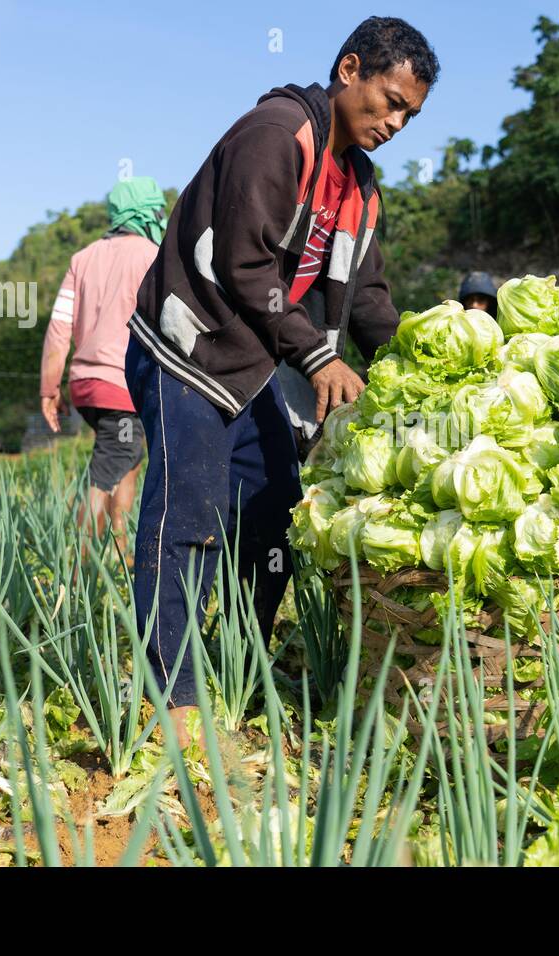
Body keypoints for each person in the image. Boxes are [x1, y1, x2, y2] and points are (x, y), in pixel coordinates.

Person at [124, 17, 439, 747]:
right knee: (189, 514)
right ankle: (170, 694)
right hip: (190, 347)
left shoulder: (360, 187)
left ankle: (234, 668)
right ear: (349, 69)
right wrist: (318, 357)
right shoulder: (277, 132)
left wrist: (427, 369)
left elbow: (366, 300)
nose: (394, 122)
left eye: (409, 115)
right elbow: (244, 264)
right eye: (388, 100)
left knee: (273, 519)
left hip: (257, 366)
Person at [40, 177, 167, 559]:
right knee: (109, 467)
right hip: (123, 387)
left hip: (85, 387)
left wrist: (50, 388)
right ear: (148, 212)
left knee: (127, 456)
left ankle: (120, 546)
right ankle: (77, 570)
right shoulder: (151, 255)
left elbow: (59, 328)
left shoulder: (82, 258)